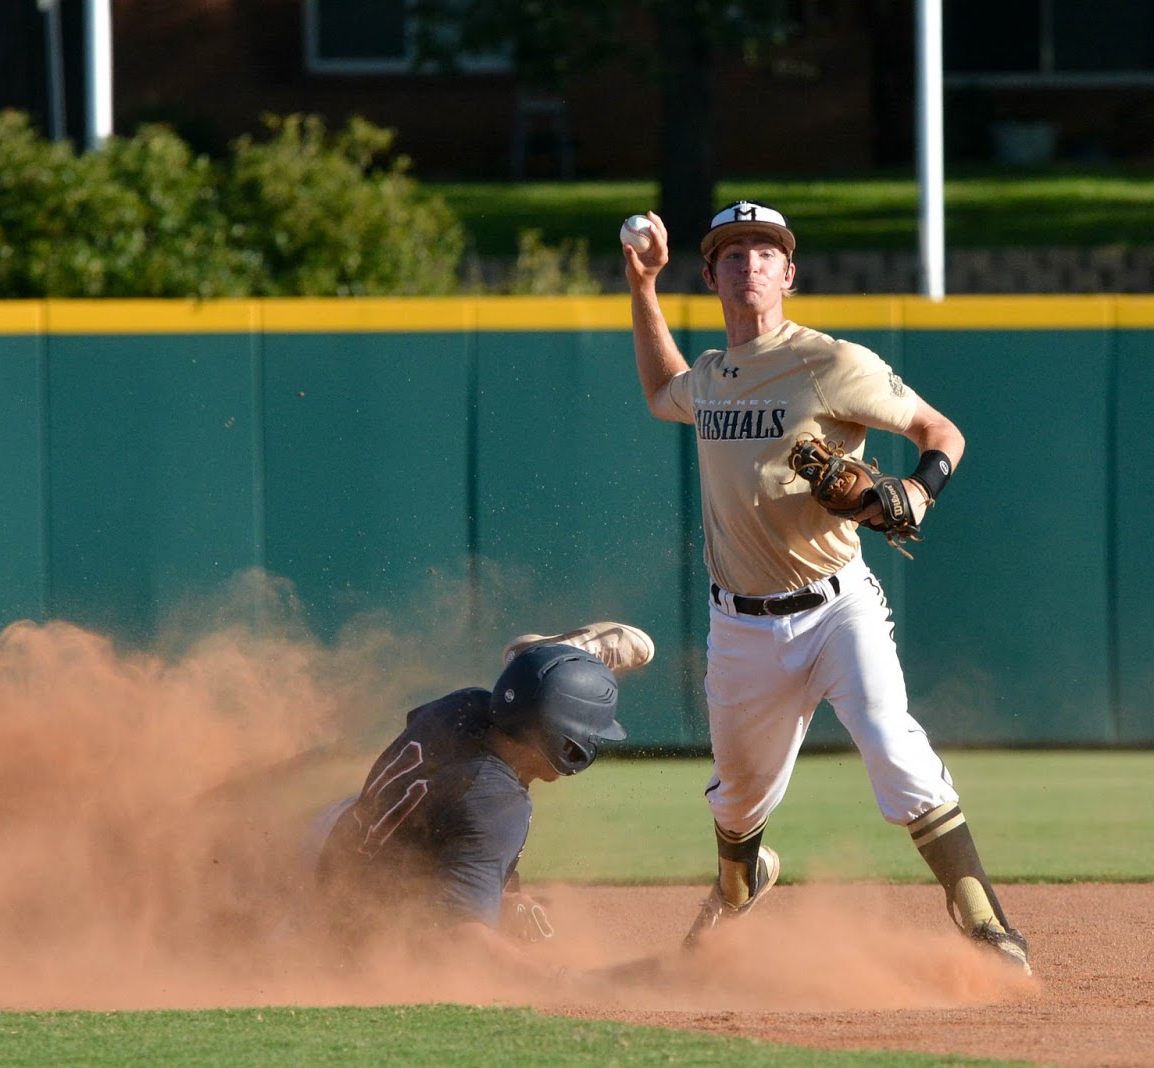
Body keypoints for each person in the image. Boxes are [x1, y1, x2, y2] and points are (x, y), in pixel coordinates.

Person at [620, 200, 1031, 973]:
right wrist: (643, 287)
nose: (750, 263)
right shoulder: (711, 379)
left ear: (789, 274)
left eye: (765, 251)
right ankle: (741, 886)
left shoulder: (831, 362)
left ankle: (987, 925)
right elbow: (659, 390)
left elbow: (942, 433)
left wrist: (920, 488)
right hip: (740, 626)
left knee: (893, 748)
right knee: (739, 803)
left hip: (839, 606)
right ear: (709, 276)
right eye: (733, 252)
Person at [308, 623, 652, 987]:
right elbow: (461, 938)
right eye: (588, 734)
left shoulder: (462, 705)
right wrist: (567, 982)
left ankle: (549, 662)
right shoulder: (497, 806)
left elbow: (452, 809)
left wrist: (505, 895)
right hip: (337, 917)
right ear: (565, 742)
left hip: (330, 833)